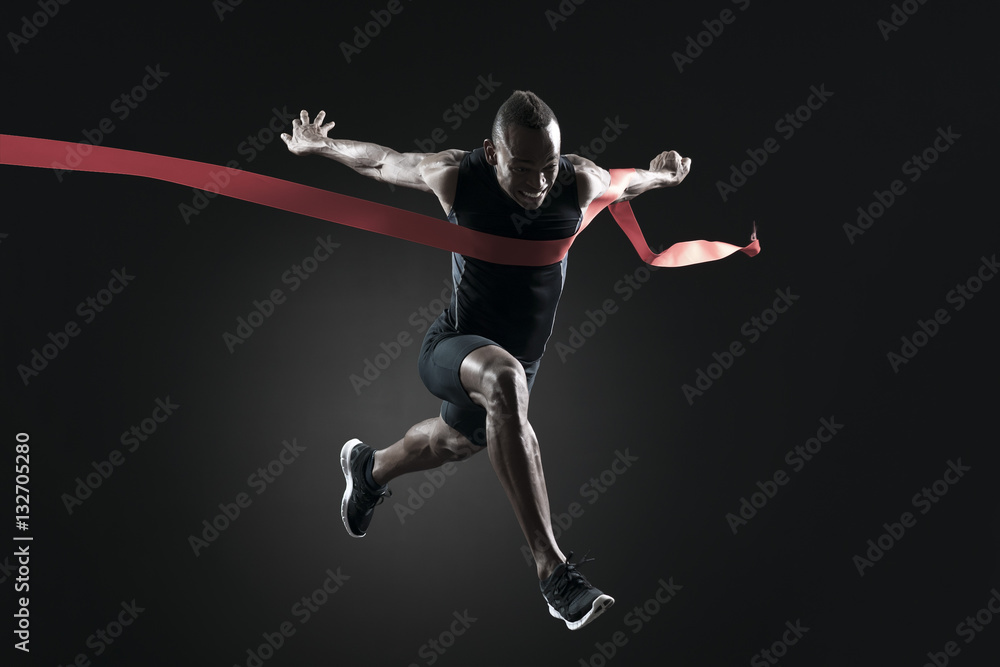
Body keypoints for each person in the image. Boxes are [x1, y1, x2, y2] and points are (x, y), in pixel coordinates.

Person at [280, 91, 690, 630]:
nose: (538, 184)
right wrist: (322, 145)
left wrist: (663, 178)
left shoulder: (578, 180)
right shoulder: (455, 174)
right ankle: (554, 573)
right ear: (492, 154)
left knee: (455, 443)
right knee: (504, 378)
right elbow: (383, 161)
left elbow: (628, 182)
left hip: (519, 363)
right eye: (522, 169)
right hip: (454, 346)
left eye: (547, 167)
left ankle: (369, 469)